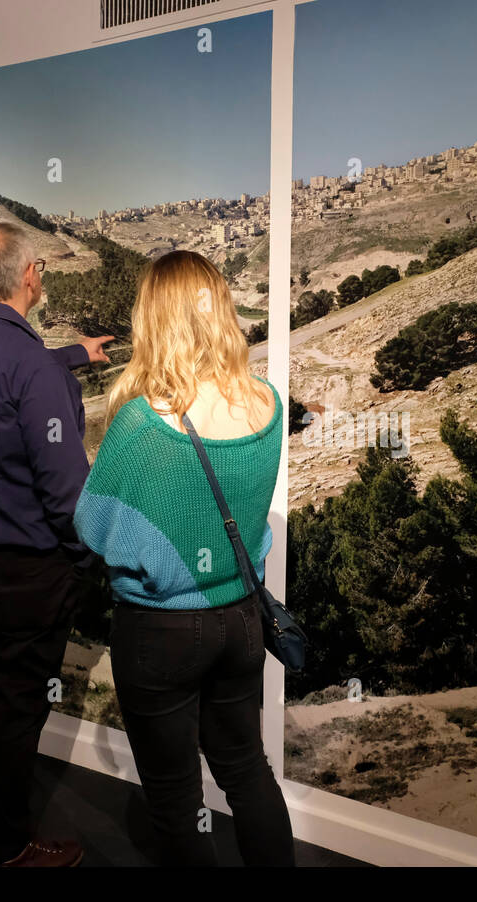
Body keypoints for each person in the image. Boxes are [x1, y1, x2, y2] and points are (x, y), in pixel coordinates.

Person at [73, 250, 294, 866]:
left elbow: (94, 526)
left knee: (174, 800)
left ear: (154, 318)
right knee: (248, 774)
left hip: (161, 630)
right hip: (242, 622)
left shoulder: (143, 424)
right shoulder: (267, 406)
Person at [0, 221, 114, 867]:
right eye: (41, 268)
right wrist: (89, 559)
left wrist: (68, 357)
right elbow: (66, 494)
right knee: (15, 707)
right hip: (31, 566)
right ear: (30, 276)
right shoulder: (31, 369)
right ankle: (7, 847)